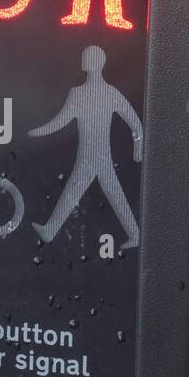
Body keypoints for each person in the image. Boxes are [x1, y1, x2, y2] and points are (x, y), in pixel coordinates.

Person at [31, 46, 142, 247]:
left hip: (94, 157)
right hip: (94, 157)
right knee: (98, 193)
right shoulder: (90, 93)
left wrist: (138, 149)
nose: (83, 59)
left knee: (82, 191)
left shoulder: (97, 93)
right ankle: (134, 235)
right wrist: (39, 132)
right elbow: (136, 124)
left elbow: (135, 122)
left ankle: (50, 230)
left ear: (94, 62)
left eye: (87, 57)